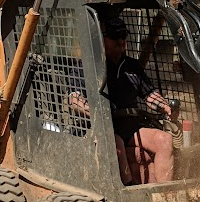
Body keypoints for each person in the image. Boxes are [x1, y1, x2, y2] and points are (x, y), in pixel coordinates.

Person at [68, 15, 175, 185]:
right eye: (115, 39)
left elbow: (148, 94)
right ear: (101, 40)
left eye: (123, 38)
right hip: (101, 127)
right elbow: (74, 99)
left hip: (131, 126)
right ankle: (129, 190)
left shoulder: (132, 66)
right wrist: (96, 113)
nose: (121, 42)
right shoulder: (86, 67)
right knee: (115, 142)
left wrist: (163, 105)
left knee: (164, 140)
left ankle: (165, 192)